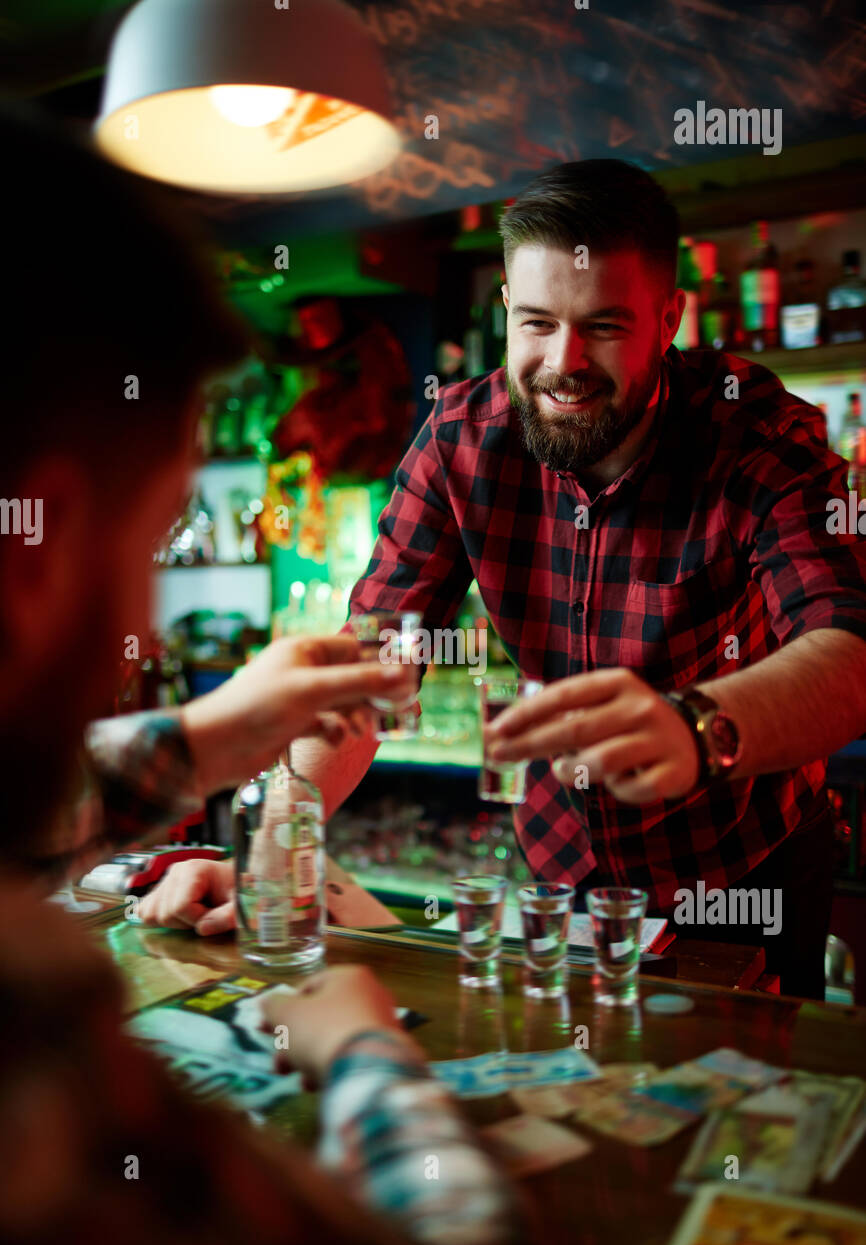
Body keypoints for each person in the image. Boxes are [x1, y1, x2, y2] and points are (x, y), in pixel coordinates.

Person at [0, 108, 541, 1245]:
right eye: (149, 546)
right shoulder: (35, 1042)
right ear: (37, 565)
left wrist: (206, 739)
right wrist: (362, 1050)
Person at [153, 160, 866, 999]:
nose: (564, 363)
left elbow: (848, 647)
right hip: (558, 866)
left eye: (603, 325)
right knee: (568, 1102)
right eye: (537, 323)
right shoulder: (459, 439)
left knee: (742, 1112)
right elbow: (373, 661)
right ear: (505, 310)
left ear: (669, 317)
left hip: (742, 866)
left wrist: (694, 729)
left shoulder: (755, 431)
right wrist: (281, 836)